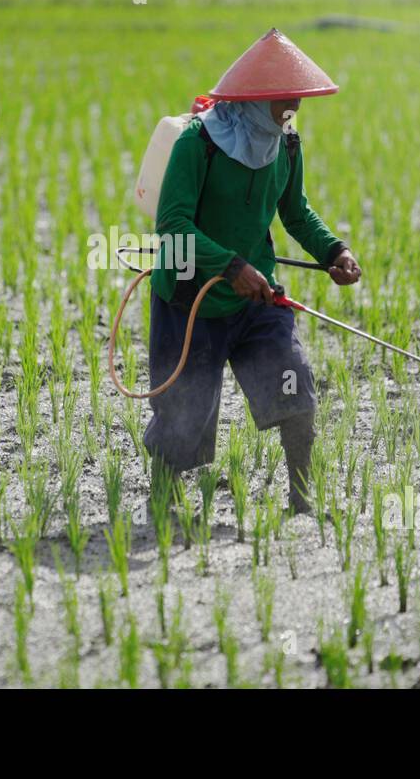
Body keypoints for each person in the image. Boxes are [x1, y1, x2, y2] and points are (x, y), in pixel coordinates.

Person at [145, 29, 361, 514]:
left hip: (255, 298)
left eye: (297, 103)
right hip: (191, 300)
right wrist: (230, 265)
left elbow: (296, 211)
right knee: (183, 420)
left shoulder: (284, 145)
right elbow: (172, 224)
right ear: (253, 99)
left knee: (294, 388)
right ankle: (161, 500)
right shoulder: (198, 145)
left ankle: (302, 500)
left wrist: (333, 251)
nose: (293, 112)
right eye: (284, 102)